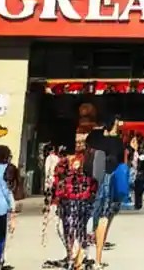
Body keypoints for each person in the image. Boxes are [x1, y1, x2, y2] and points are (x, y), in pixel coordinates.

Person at [85, 116, 128, 270]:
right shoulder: (114, 141)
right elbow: (120, 158)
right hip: (108, 179)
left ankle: (94, 240)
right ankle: (98, 242)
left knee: (98, 210)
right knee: (105, 212)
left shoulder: (97, 139)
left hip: (97, 179)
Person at [55, 151, 96, 270]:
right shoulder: (66, 176)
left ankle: (75, 257)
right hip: (72, 206)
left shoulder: (84, 176)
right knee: (72, 232)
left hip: (77, 206)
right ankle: (73, 257)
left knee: (74, 232)